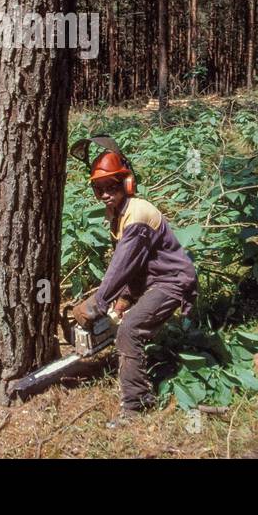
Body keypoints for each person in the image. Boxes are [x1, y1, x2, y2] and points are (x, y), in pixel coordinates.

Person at [69, 147, 198, 419]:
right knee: (126, 320)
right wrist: (125, 297)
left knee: (129, 330)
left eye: (111, 186)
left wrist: (97, 303)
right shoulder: (118, 212)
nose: (104, 194)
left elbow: (122, 265)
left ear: (126, 183)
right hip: (157, 279)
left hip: (172, 281)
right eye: (99, 188)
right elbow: (135, 265)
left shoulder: (136, 214)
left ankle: (136, 405)